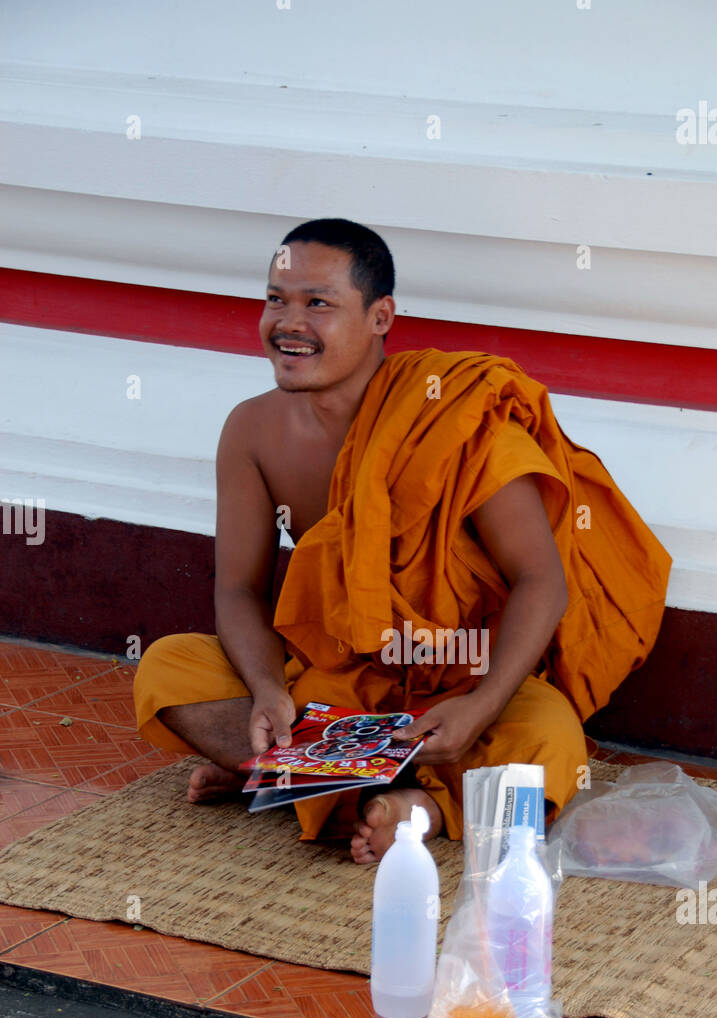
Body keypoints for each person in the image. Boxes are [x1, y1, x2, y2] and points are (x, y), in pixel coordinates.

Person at [133, 218, 671, 863]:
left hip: (460, 679)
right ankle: (370, 792)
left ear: (381, 316)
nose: (289, 322)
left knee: (550, 737)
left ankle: (325, 787)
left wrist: (480, 704)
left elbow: (541, 581)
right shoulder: (251, 430)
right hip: (337, 681)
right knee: (168, 669)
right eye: (276, 298)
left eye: (319, 303)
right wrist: (270, 689)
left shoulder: (454, 419)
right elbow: (241, 589)